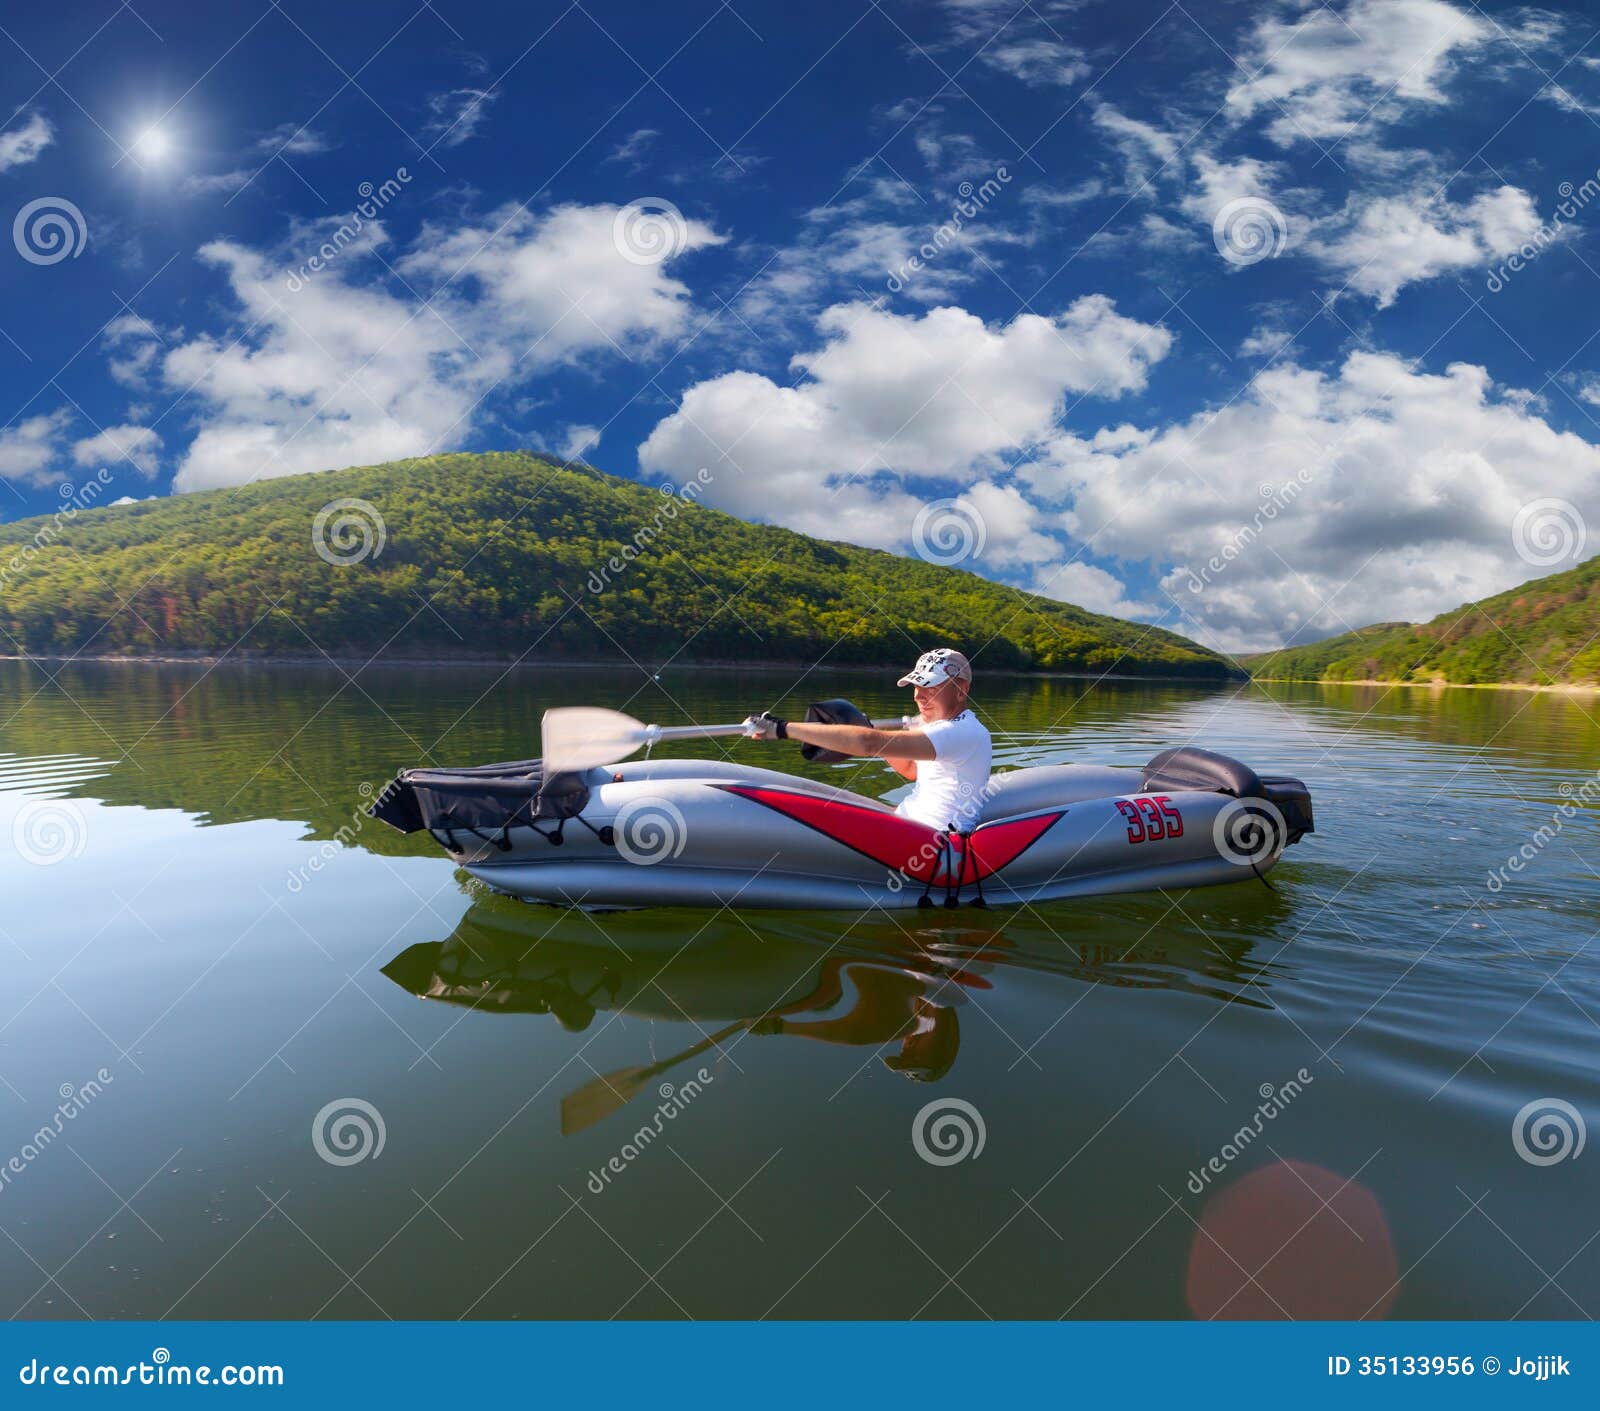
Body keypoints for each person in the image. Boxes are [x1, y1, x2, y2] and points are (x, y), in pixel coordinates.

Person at [742, 647, 993, 832]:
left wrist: (783, 729)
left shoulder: (961, 732)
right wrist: (867, 728)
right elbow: (911, 769)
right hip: (909, 822)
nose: (919, 695)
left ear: (962, 689)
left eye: (931, 687)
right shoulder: (940, 728)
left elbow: (869, 744)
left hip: (934, 840)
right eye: (917, 685)